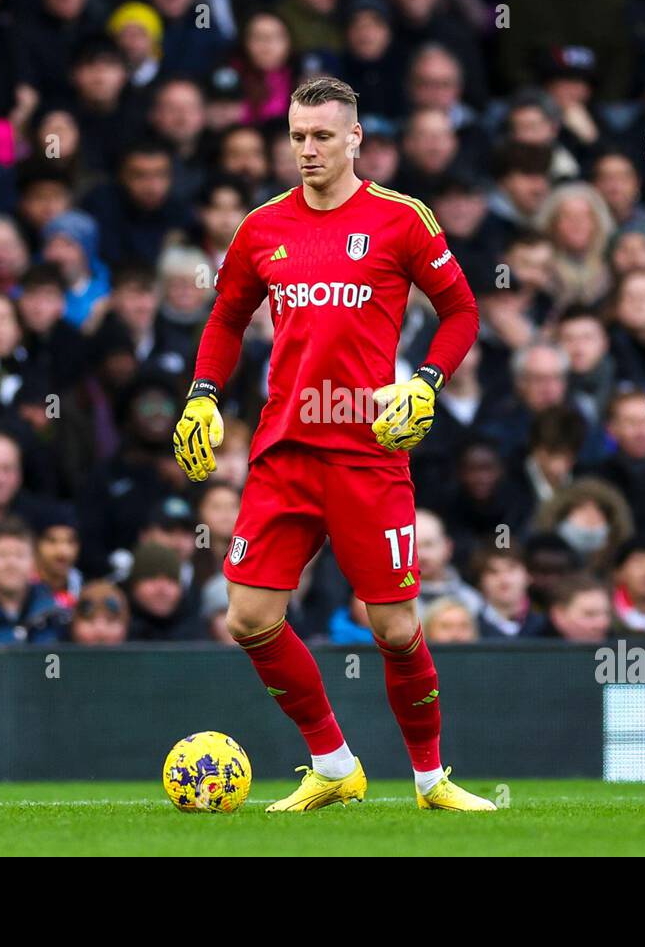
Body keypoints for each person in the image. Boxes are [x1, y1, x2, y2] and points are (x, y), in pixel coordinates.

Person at [170, 76, 491, 812]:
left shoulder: (401, 220)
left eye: (321, 136)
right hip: (284, 449)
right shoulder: (262, 228)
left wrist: (426, 382)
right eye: (296, 136)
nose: (307, 150)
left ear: (355, 138)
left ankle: (431, 779)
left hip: (366, 450)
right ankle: (334, 762)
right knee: (248, 618)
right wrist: (201, 395)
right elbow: (224, 320)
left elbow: (462, 311)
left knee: (395, 627)